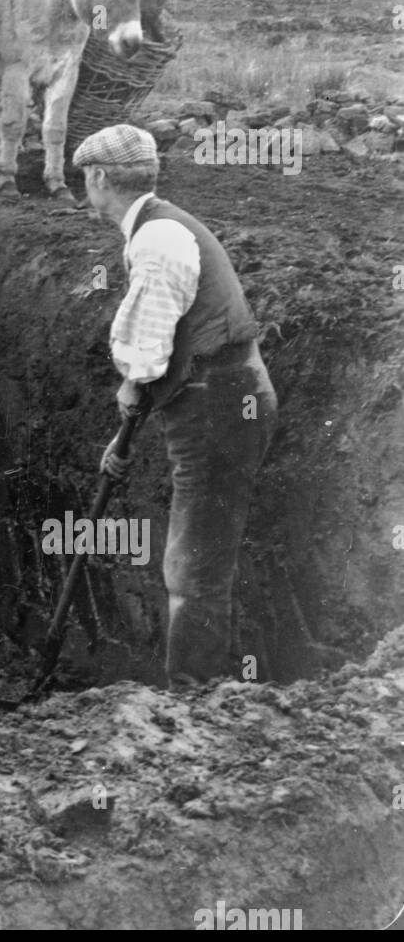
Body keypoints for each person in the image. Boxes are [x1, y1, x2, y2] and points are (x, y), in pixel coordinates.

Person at [73, 125, 278, 686]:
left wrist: (132, 394)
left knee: (190, 568)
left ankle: (191, 702)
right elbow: (152, 356)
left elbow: (146, 355)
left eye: (85, 179)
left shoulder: (156, 240)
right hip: (221, 396)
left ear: (97, 177)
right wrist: (127, 419)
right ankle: (214, 691)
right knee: (201, 560)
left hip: (219, 403)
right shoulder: (160, 225)